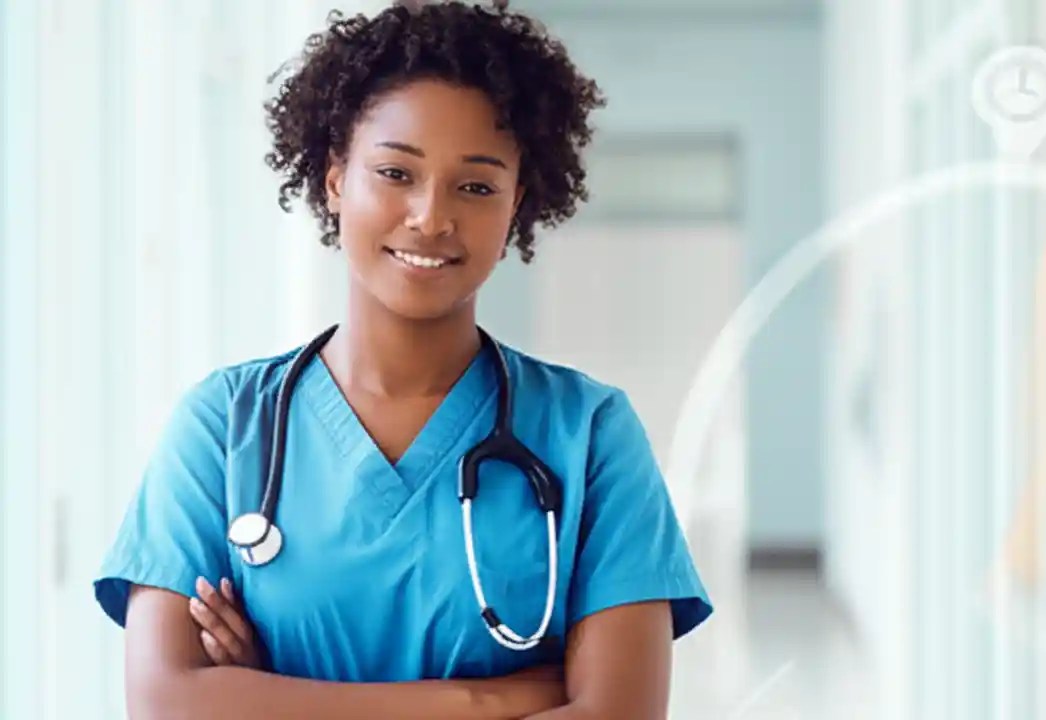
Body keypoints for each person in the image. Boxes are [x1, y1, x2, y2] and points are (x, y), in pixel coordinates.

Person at [92, 2, 713, 718]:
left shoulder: (590, 434)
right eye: (395, 172)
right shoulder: (223, 427)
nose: (431, 216)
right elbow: (167, 705)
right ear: (334, 180)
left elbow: (617, 715)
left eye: (476, 186)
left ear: (517, 205)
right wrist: (483, 699)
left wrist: (269, 698)